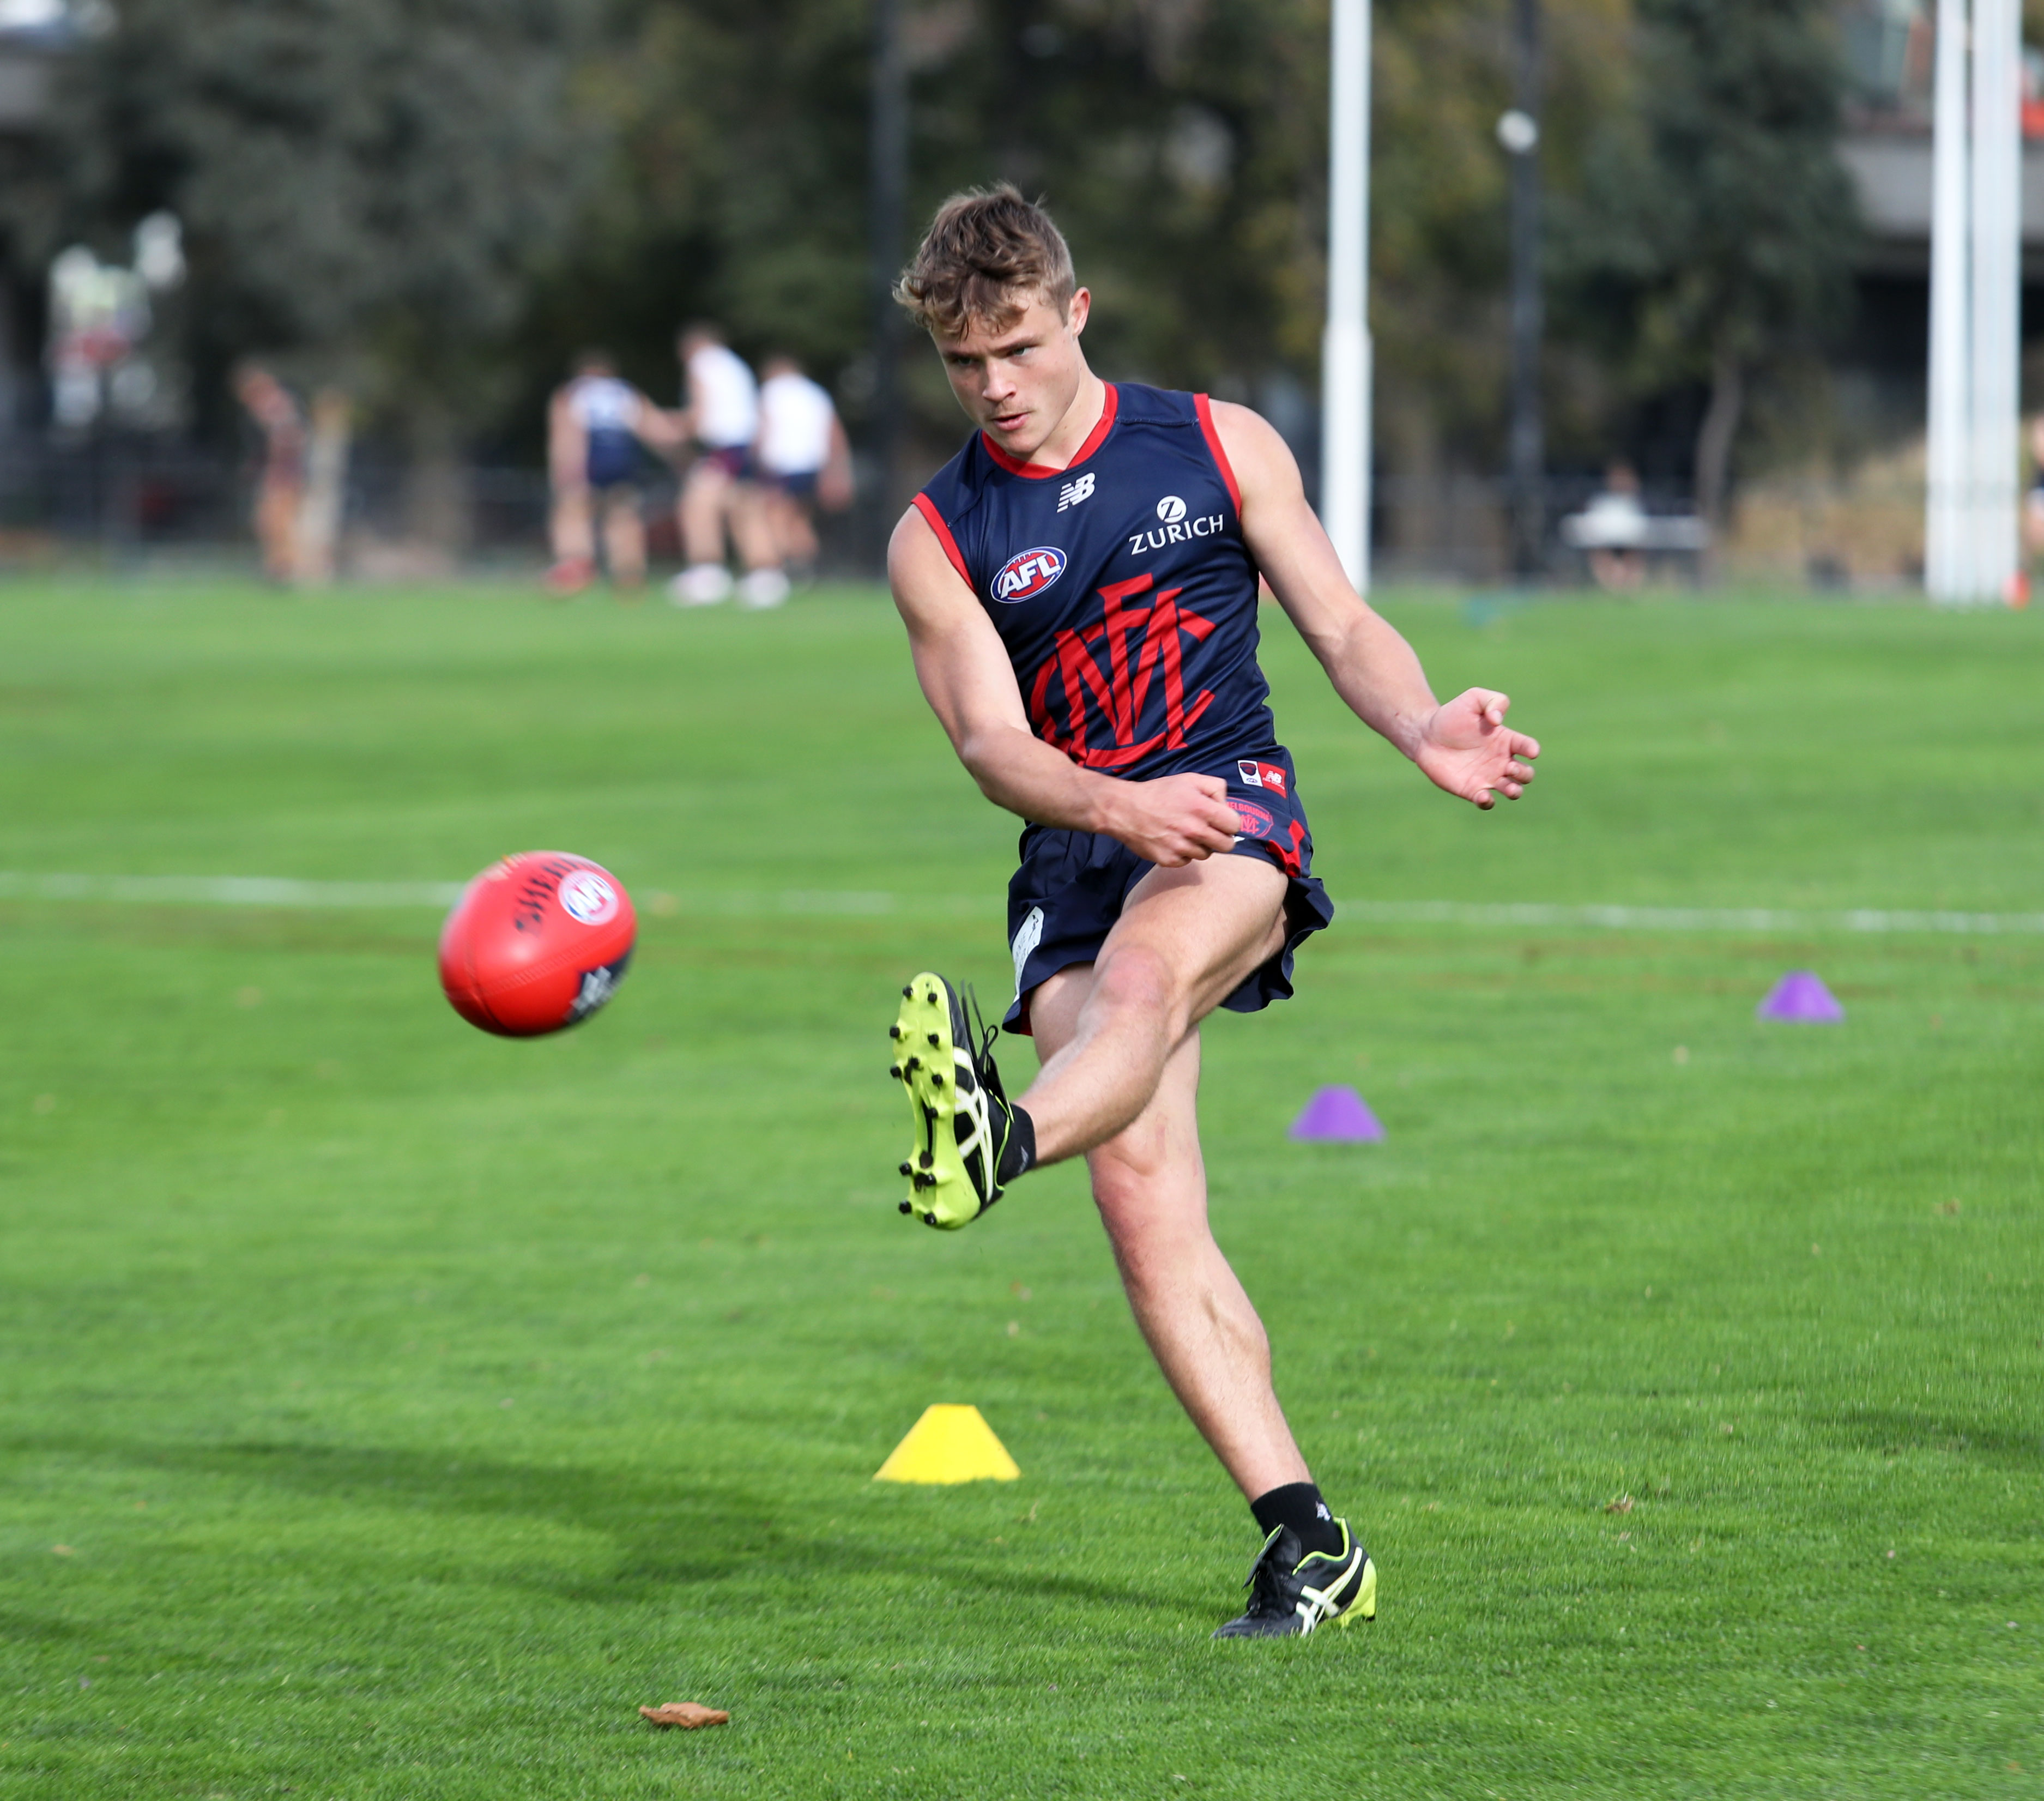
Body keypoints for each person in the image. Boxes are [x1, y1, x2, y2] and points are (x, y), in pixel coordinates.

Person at [881, 187, 1538, 1638]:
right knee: (1139, 1197)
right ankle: (1309, 1543)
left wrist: (1421, 722)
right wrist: (1114, 810)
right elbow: (992, 747)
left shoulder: (1215, 440)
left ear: (1075, 315)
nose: (992, 386)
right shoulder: (937, 535)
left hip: (1228, 815)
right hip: (1074, 853)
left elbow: (1341, 622)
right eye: (958, 361)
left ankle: (998, 1137)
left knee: (1137, 996)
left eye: (1013, 347)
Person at [666, 324, 784, 608]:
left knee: (696, 506)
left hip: (722, 446)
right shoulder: (736, 365)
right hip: (744, 445)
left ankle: (708, 575)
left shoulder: (701, 363)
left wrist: (673, 427)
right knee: (745, 511)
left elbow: (700, 412)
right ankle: (766, 578)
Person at [545, 352, 660, 596]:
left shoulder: (572, 393)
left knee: (574, 512)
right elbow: (651, 427)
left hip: (593, 456)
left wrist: (565, 471)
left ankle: (576, 571)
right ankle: (630, 578)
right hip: (621, 458)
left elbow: (567, 435)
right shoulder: (625, 392)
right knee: (623, 518)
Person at [745, 353, 854, 585]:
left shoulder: (771, 391)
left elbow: (764, 429)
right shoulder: (816, 393)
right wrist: (838, 471)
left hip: (781, 465)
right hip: (812, 466)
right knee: (799, 520)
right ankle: (803, 570)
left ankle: (774, 571)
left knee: (772, 517)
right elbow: (834, 433)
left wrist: (753, 458)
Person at [232, 362, 306, 584]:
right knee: (268, 522)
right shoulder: (273, 405)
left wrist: (277, 470)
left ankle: (284, 570)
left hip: (282, 476)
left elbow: (286, 439)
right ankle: (279, 568)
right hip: (282, 474)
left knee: (277, 523)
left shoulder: (273, 405)